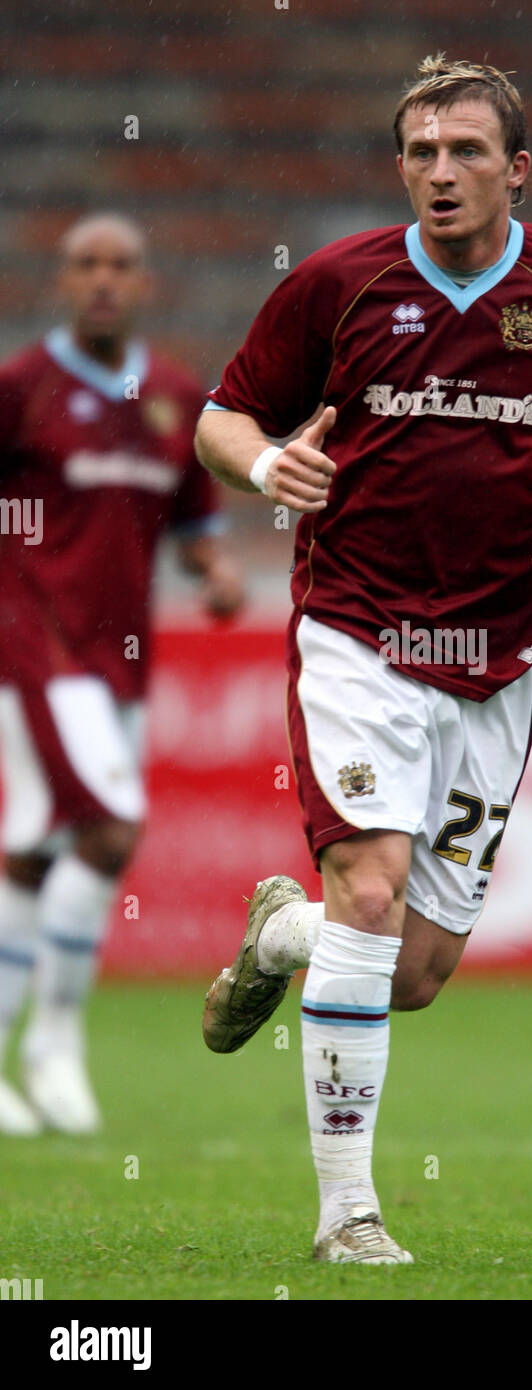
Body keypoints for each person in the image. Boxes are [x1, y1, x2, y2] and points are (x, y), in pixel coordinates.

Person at [195, 53, 532, 1264]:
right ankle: (346, 1219)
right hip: (358, 630)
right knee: (367, 892)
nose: (439, 172)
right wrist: (268, 469)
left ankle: (279, 936)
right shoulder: (336, 284)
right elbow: (223, 417)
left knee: (409, 970)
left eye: (465, 150)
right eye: (419, 152)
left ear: (515, 169)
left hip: (497, 654)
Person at [0, 213, 244, 1135]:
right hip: (34, 649)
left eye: (121, 266)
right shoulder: (19, 389)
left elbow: (194, 528)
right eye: (85, 265)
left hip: (120, 664)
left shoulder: (175, 397)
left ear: (145, 284)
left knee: (34, 849)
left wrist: (216, 574)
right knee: (108, 832)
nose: (103, 279)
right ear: (61, 282)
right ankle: (54, 1041)